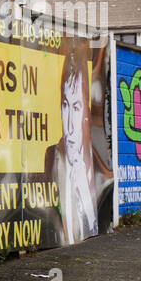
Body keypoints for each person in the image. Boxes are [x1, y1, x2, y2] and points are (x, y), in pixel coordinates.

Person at [47, 52, 98, 244]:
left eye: (76, 108)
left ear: (86, 113)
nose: (69, 124)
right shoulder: (52, 158)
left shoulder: (97, 163)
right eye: (65, 106)